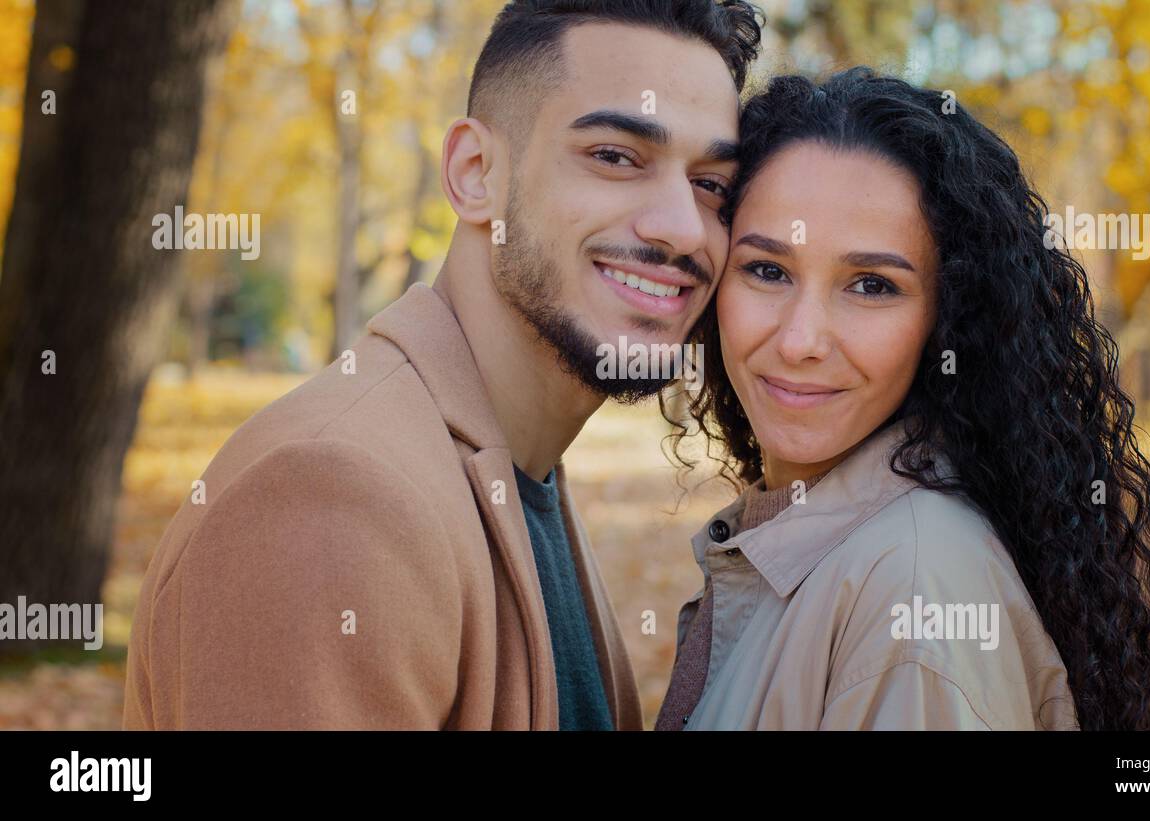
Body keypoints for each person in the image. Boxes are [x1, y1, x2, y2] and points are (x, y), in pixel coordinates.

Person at [123, 0, 764, 730]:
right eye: (616, 157)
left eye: (711, 185)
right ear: (473, 172)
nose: (682, 227)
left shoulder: (518, 468)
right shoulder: (332, 497)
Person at [657, 67, 1150, 730]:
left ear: (948, 318)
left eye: (871, 286)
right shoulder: (821, 540)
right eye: (767, 270)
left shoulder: (914, 592)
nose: (801, 339)